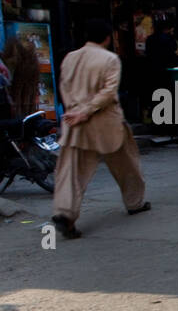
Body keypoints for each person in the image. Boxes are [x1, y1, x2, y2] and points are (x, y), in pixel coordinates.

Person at [51, 19, 150, 239]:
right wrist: (86, 110)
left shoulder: (70, 58)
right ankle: (135, 203)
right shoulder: (110, 59)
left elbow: (64, 87)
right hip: (105, 122)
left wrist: (75, 110)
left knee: (72, 172)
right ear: (107, 38)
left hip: (74, 122)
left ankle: (65, 213)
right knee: (127, 165)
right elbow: (108, 92)